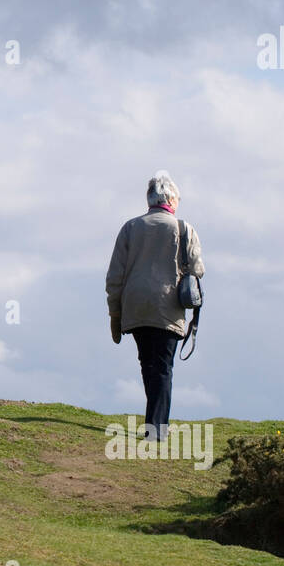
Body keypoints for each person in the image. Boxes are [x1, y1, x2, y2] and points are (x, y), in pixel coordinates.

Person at [106, 171, 204, 442]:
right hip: (167, 305)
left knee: (148, 363)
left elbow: (114, 276)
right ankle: (157, 429)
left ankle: (155, 423)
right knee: (162, 366)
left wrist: (115, 314)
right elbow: (198, 270)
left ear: (149, 199)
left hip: (135, 306)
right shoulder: (184, 229)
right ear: (172, 199)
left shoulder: (130, 227)